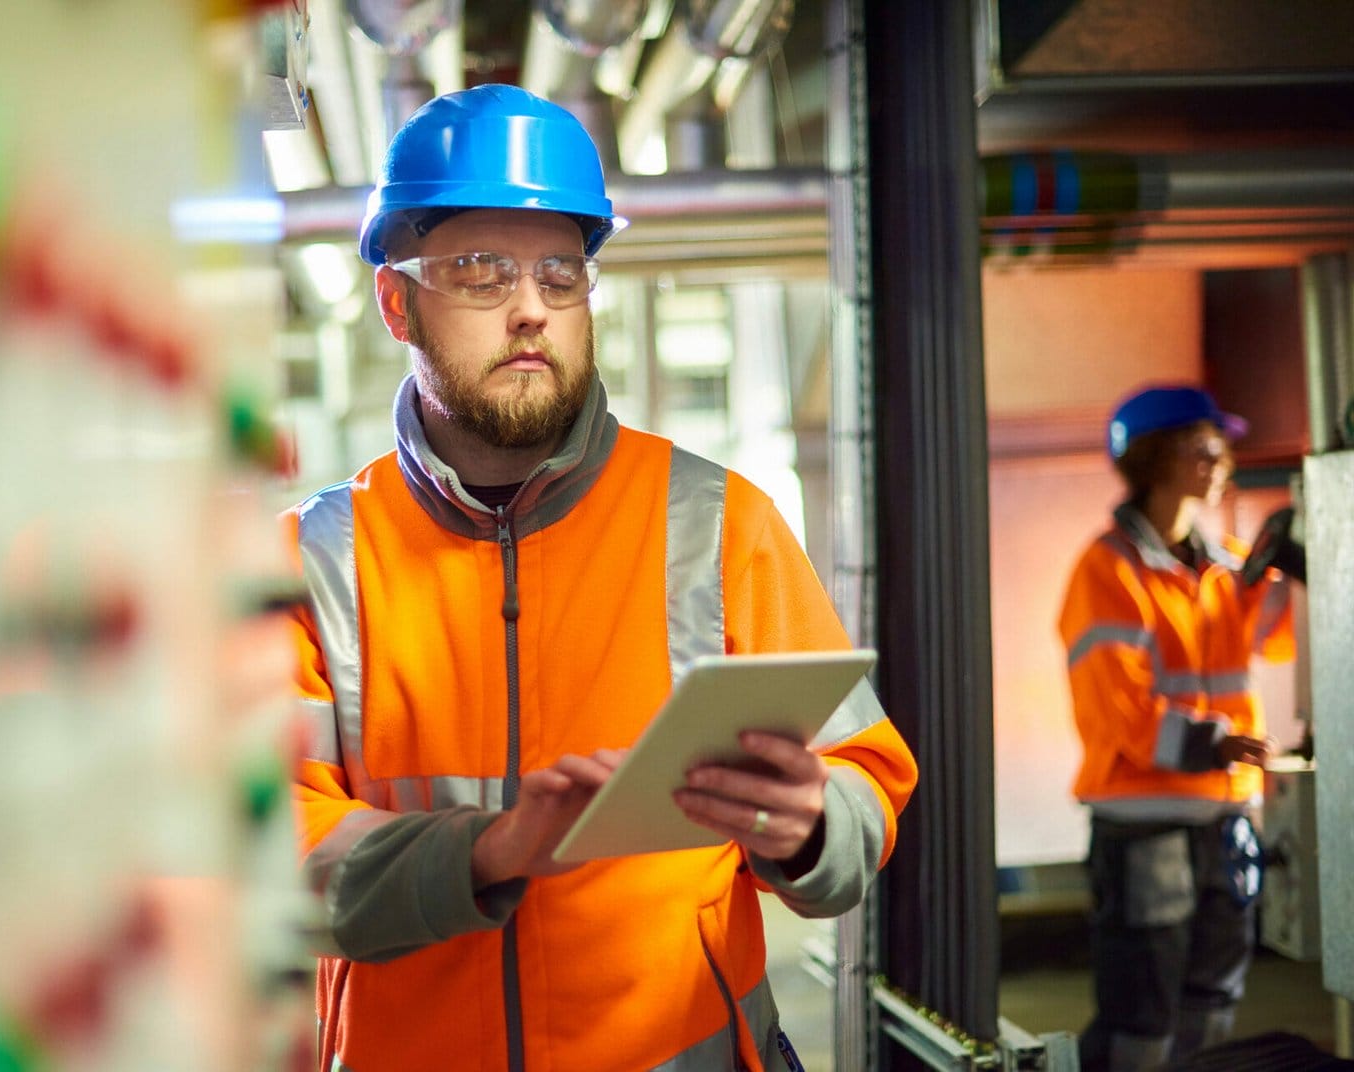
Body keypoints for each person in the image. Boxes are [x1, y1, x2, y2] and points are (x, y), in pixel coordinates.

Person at [280, 84, 918, 1072]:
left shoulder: (715, 522)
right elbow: (267, 857)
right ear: (397, 300)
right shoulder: (315, 561)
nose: (531, 307)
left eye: (560, 275)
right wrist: (490, 852)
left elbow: (865, 778)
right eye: (483, 272)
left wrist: (808, 828)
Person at [1058, 384, 1296, 1072]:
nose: (1224, 460)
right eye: (1208, 444)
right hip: (1144, 821)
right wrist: (1213, 744)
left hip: (1224, 814)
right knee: (1144, 1012)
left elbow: (1279, 639)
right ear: (1158, 457)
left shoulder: (1224, 565)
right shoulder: (1106, 571)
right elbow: (1119, 711)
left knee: (1213, 999)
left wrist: (1298, 558)